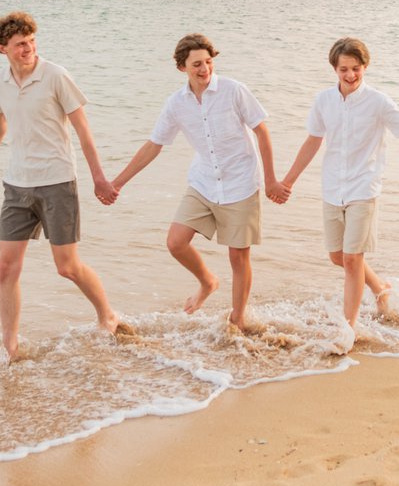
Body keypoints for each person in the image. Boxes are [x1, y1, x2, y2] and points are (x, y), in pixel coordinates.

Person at [273, 37, 399, 333]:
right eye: (344, 69)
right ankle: (380, 289)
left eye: (356, 68)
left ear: (365, 66)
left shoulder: (378, 102)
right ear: (334, 69)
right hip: (332, 188)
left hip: (363, 188)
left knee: (353, 259)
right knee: (337, 256)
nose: (350, 75)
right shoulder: (323, 101)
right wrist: (288, 181)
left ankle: (347, 329)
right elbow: (312, 141)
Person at [0, 11, 127, 362]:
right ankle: (10, 345)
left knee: (67, 266)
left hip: (57, 181)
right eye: (20, 44)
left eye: (31, 41)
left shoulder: (56, 75)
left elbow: (83, 129)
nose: (28, 48)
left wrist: (99, 177)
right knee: (5, 266)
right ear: (2, 48)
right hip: (17, 185)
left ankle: (107, 314)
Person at [108, 33, 278, 332]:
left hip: (240, 182)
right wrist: (117, 183)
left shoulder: (234, 90)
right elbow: (154, 145)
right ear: (182, 67)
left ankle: (237, 319)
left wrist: (271, 180)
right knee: (175, 242)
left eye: (209, 62)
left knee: (238, 256)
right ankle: (207, 281)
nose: (205, 69)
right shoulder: (176, 103)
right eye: (197, 64)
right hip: (203, 182)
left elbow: (261, 131)